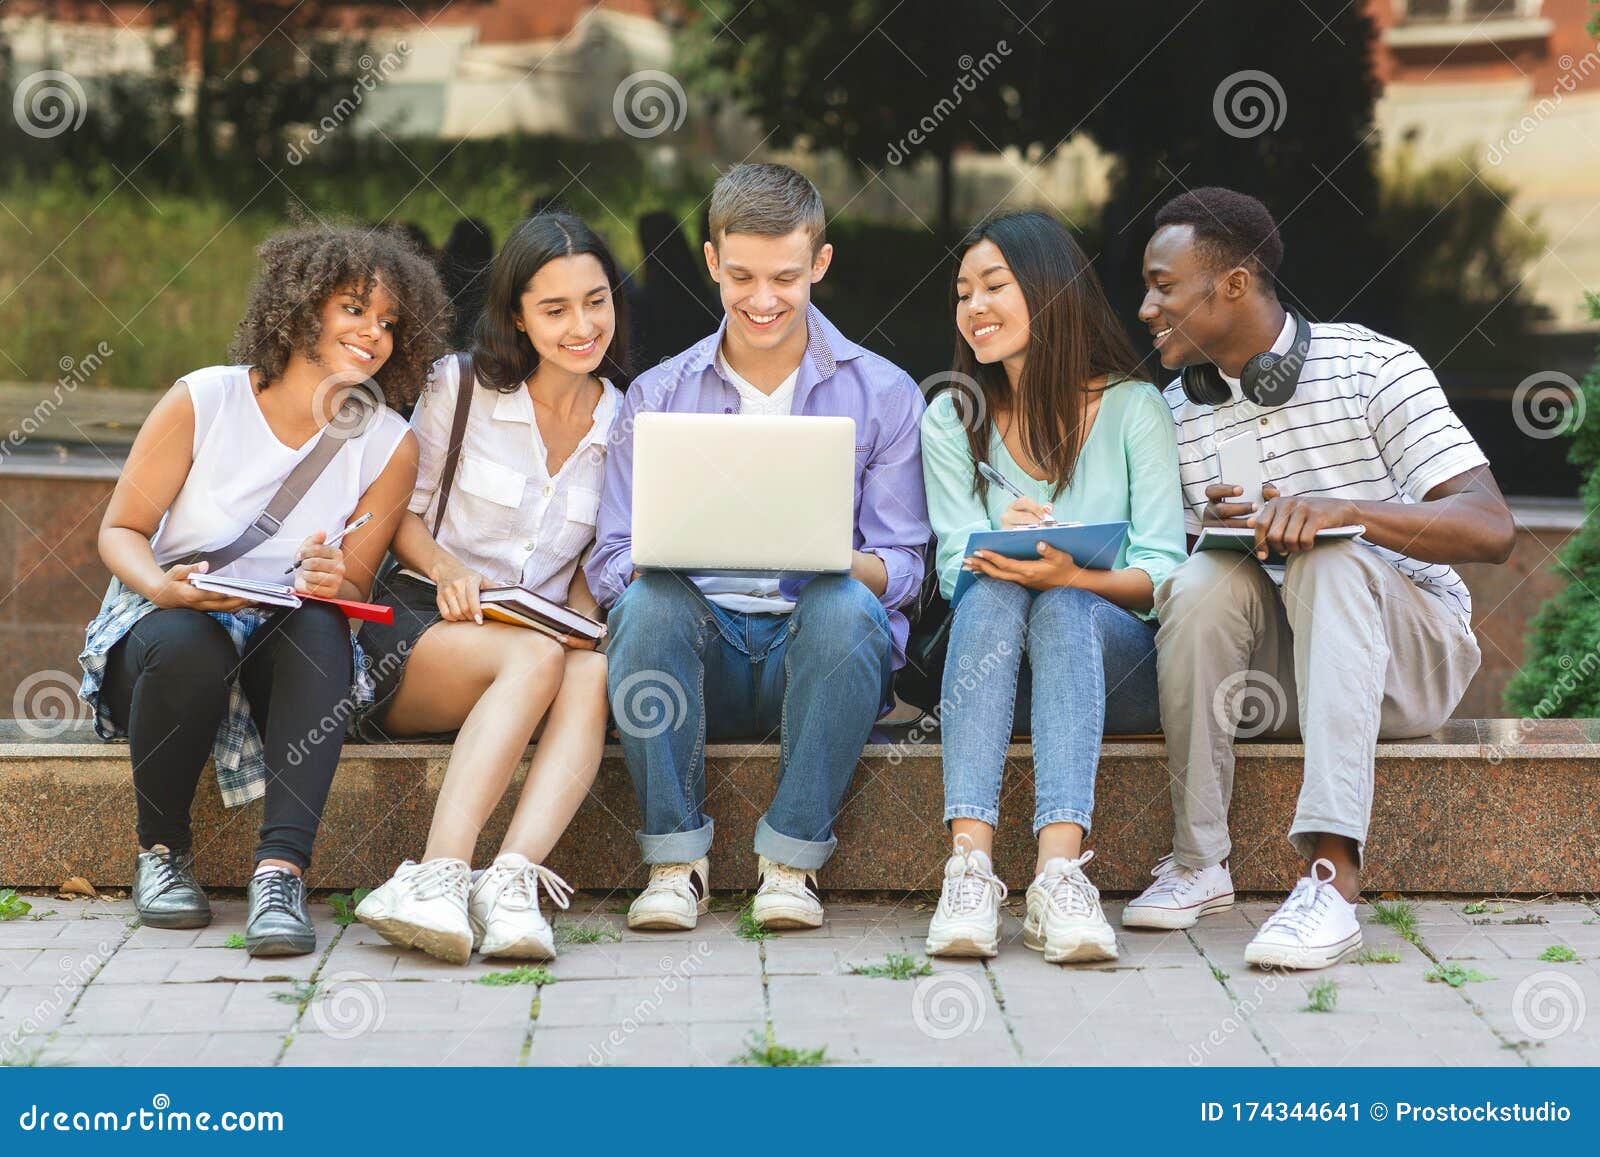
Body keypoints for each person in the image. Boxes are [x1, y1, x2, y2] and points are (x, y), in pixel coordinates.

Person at [1125, 187, 1515, 969]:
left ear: (1232, 283)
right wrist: (1216, 528)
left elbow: (1492, 527)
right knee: (1202, 580)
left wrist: (1344, 512)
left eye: (1163, 285)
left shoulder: (1376, 366)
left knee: (1330, 557)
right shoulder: (1175, 410)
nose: (1144, 307)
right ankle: (1199, 864)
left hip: (1408, 665)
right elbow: (1167, 566)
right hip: (1280, 680)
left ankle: (1331, 885)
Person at [79, 223, 442, 955]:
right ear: (302, 306)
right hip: (165, 634)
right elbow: (120, 530)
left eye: (388, 322)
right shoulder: (204, 400)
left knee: (319, 627)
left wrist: (332, 577)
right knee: (190, 640)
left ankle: (280, 874)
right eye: (353, 309)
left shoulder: (388, 441)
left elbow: (355, 588)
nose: (373, 334)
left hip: (277, 652)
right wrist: (167, 586)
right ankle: (161, 854)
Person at [587, 163, 931, 933]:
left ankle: (791, 866)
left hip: (815, 657)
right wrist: (667, 548)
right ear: (712, 263)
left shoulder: (884, 393)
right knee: (647, 602)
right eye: (741, 276)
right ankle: (674, 866)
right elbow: (610, 564)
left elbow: (906, 571)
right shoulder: (659, 395)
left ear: (820, 264)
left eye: (786, 276)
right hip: (696, 654)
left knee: (845, 602)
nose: (763, 299)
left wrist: (828, 558)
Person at [354, 212, 630, 964]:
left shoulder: (623, 418)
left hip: (528, 637)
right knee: (539, 657)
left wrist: (583, 614)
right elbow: (398, 516)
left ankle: (509, 882)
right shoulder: (460, 386)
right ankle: (437, 875)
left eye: (596, 300)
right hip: (417, 626)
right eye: (556, 308)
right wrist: (449, 570)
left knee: (591, 666)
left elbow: (592, 556)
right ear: (516, 314)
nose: (583, 325)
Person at [919, 211, 1185, 964]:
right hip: (991, 664)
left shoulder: (1135, 408)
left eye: (995, 285)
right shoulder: (951, 420)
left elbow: (1166, 572)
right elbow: (948, 571)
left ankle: (1058, 876)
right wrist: (993, 537)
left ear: (1048, 290)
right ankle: (968, 871)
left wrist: (1075, 572)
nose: (974, 307)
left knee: (1065, 602)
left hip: (1113, 665)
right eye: (963, 292)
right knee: (995, 588)